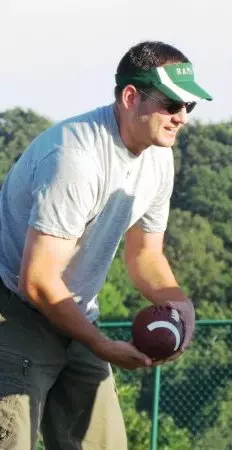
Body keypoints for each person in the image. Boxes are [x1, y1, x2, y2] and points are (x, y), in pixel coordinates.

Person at [0, 40, 212, 449]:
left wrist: (182, 307)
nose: (182, 117)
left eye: (189, 106)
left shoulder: (158, 157)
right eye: (171, 104)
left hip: (75, 314)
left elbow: (145, 255)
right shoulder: (75, 158)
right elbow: (38, 280)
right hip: (14, 314)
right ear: (130, 97)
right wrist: (102, 346)